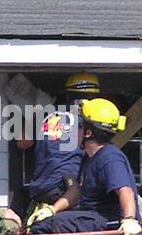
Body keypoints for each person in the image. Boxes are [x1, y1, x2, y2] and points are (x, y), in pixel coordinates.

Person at [26, 98, 142, 235]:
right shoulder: (89, 157)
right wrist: (52, 210)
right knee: (48, 220)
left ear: (88, 133)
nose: (75, 131)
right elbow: (77, 191)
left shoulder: (110, 158)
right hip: (92, 216)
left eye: (79, 126)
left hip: (110, 220)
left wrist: (129, 219)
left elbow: (126, 191)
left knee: (48, 226)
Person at [16, 72, 101, 217]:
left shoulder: (48, 113)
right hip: (67, 190)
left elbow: (22, 143)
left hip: (41, 189)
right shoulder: (89, 121)